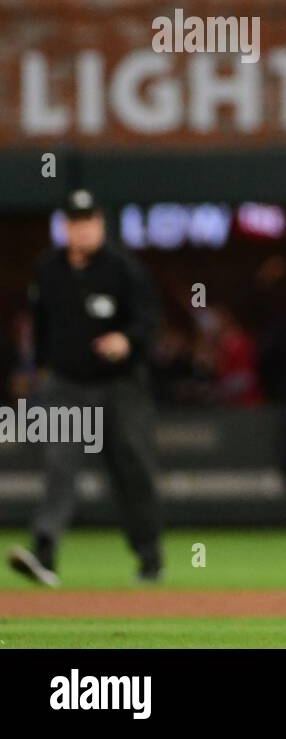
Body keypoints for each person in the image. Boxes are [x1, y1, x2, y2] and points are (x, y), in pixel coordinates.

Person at [6, 190, 164, 588]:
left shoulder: (122, 268)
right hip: (67, 385)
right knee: (60, 467)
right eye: (75, 222)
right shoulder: (49, 269)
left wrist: (127, 340)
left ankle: (149, 556)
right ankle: (44, 552)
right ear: (64, 226)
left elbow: (148, 320)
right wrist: (36, 368)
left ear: (100, 225)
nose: (82, 229)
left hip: (119, 386)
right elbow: (40, 324)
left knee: (131, 470)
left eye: (89, 221)